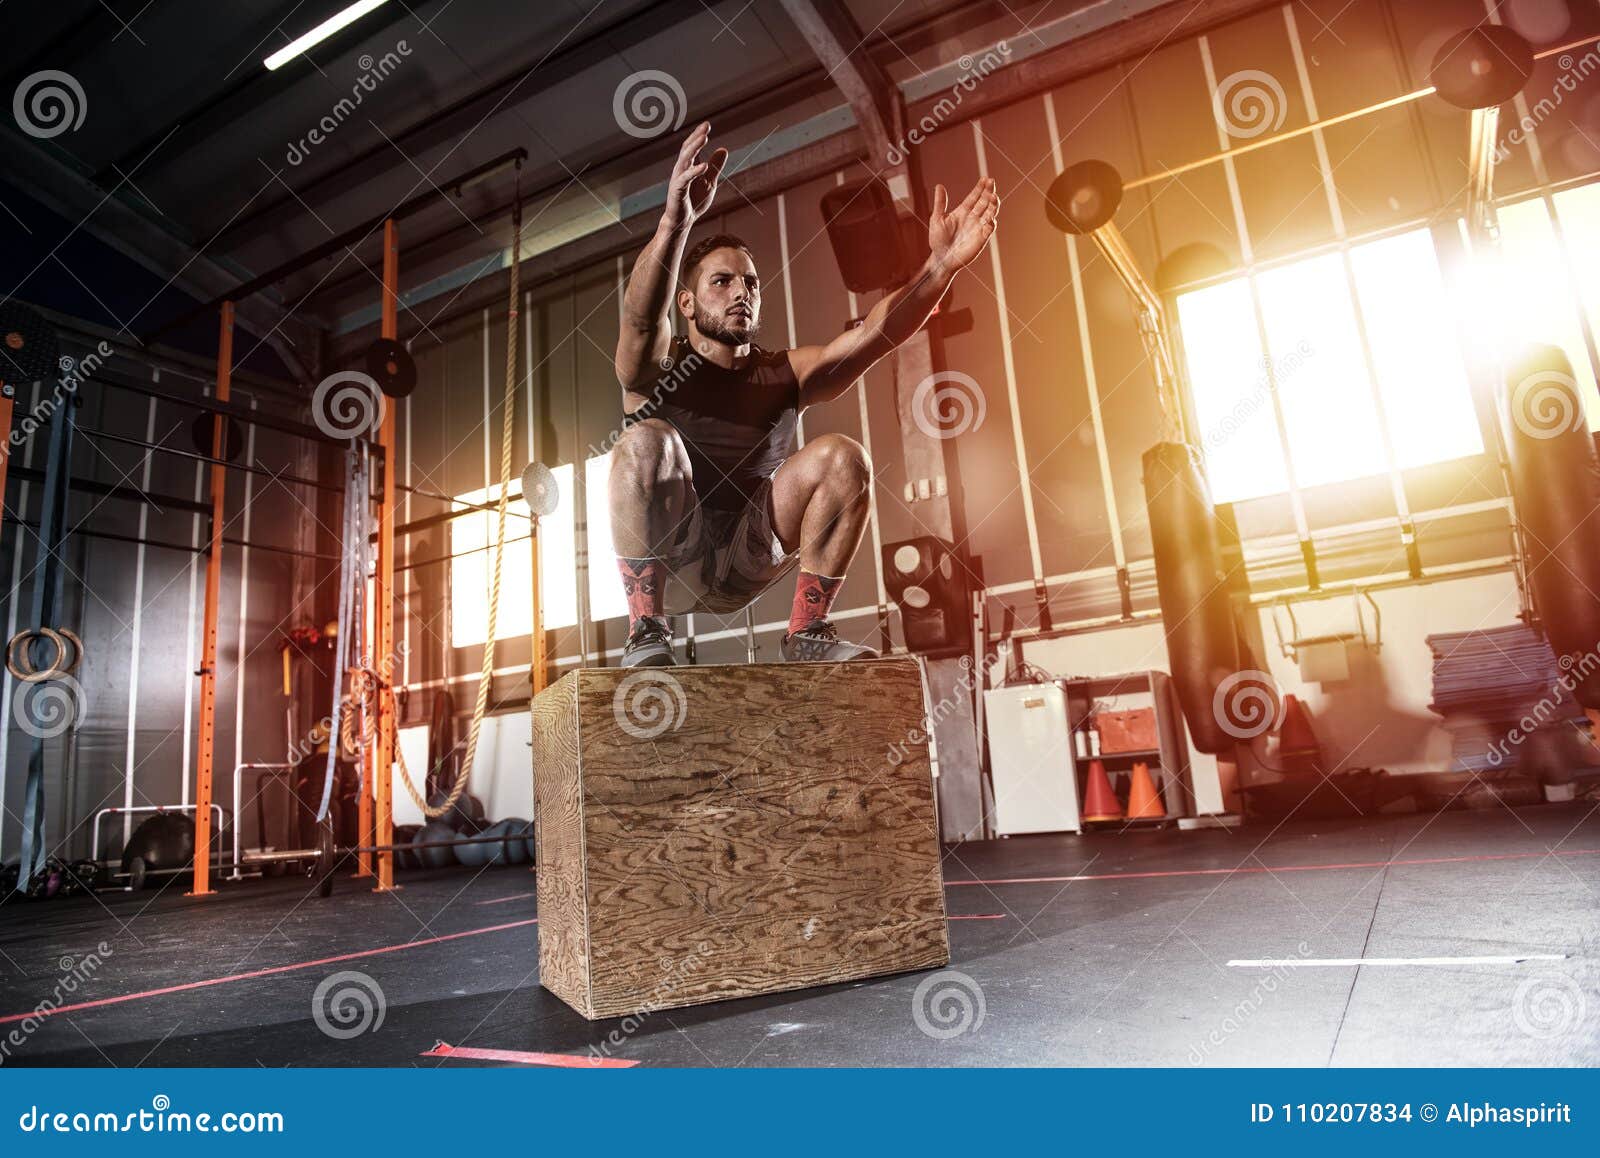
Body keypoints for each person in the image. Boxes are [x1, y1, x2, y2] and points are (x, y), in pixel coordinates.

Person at [609, 121, 999, 667]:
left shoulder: (785, 373)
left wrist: (940, 268)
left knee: (844, 456)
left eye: (751, 283)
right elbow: (639, 318)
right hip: (677, 559)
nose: (741, 292)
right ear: (688, 305)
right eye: (721, 282)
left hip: (750, 554)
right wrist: (675, 221)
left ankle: (806, 632)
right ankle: (645, 630)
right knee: (646, 442)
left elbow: (873, 336)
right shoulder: (657, 372)